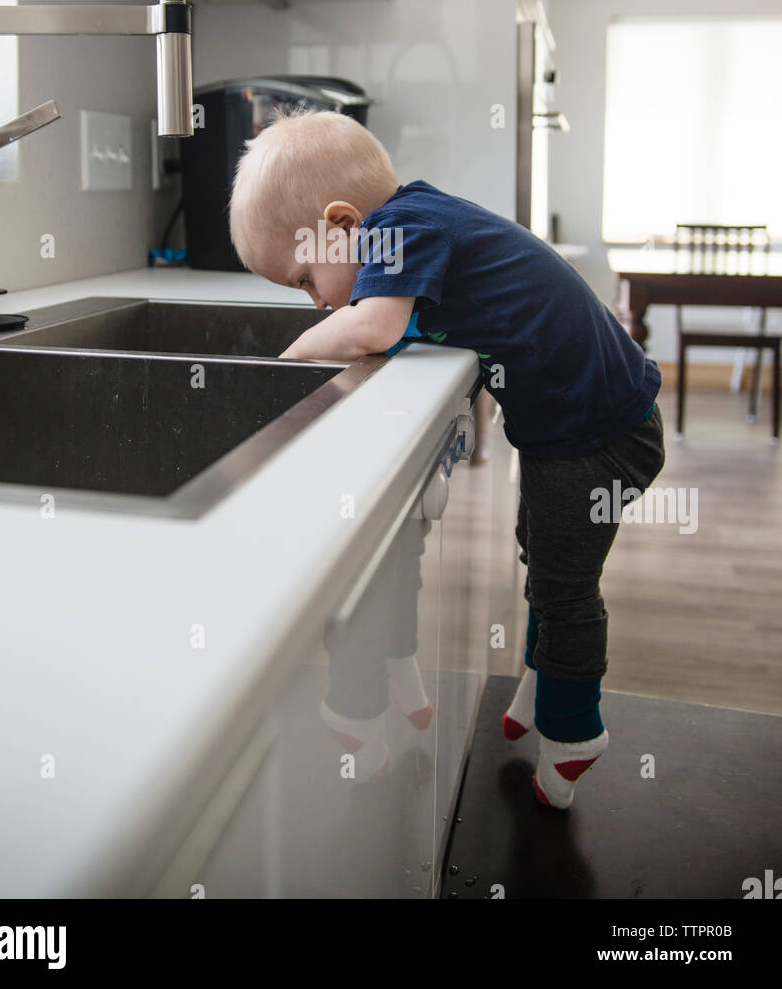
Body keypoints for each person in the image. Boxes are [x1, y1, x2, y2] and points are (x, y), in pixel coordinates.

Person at [229, 107, 666, 807]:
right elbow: (404, 325)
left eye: (306, 278)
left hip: (601, 434)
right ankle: (537, 686)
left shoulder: (403, 228)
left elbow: (371, 326)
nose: (315, 302)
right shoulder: (418, 228)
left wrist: (285, 363)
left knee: (564, 582)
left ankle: (573, 732)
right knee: (542, 552)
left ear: (345, 226)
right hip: (577, 427)